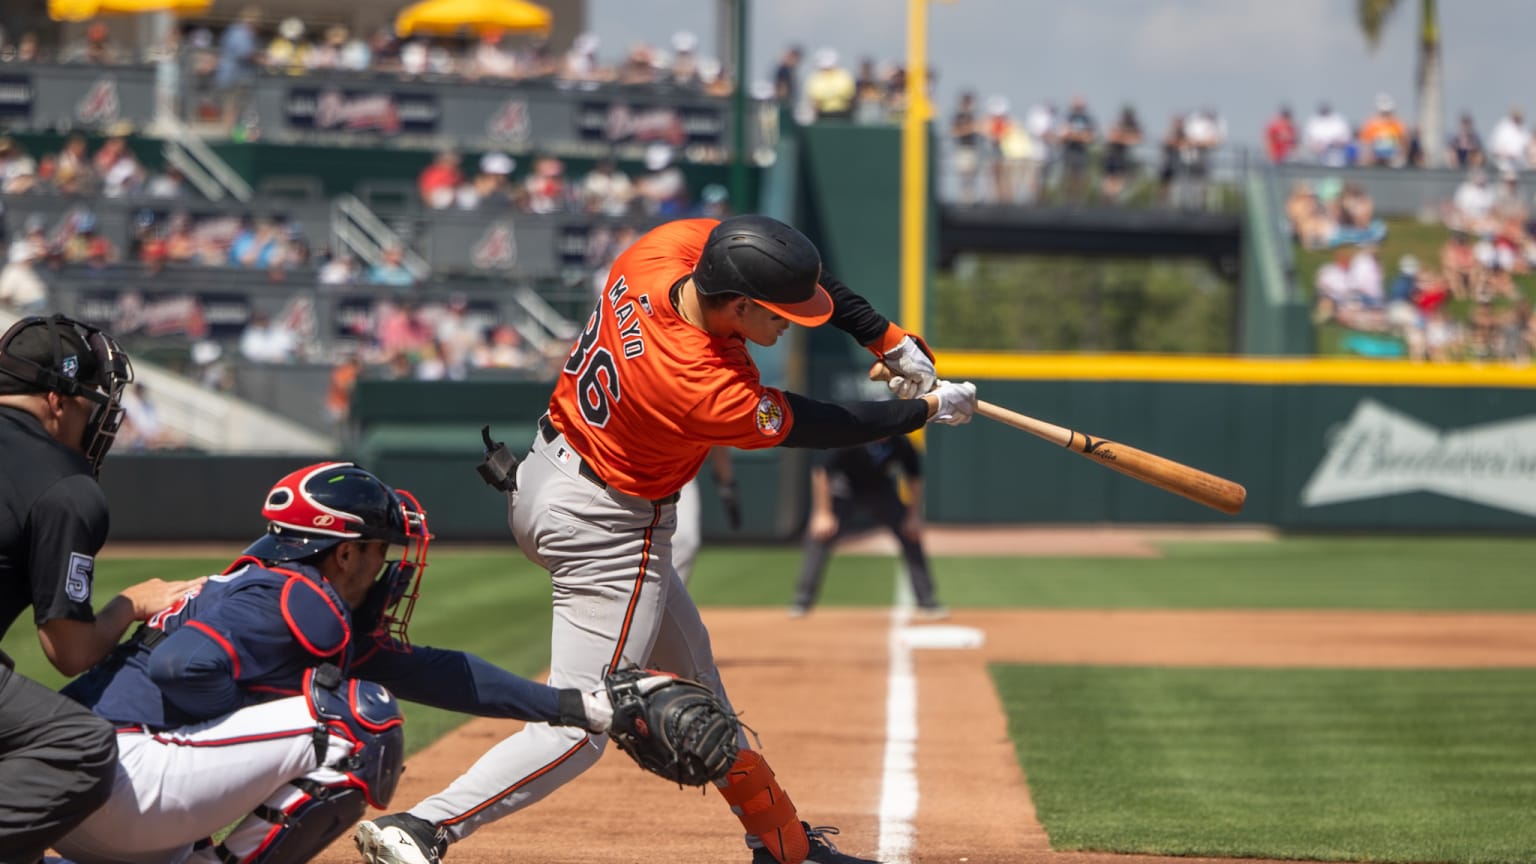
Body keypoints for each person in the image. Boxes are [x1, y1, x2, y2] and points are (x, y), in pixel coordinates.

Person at [352, 214, 976, 864]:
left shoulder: (660, 253)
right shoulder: (699, 383)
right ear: (736, 304)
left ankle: (784, 846)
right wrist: (924, 410)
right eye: (780, 313)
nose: (794, 320)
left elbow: (785, 268)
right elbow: (818, 424)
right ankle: (426, 827)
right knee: (585, 718)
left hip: (545, 474)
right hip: (607, 528)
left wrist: (888, 339)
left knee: (699, 679)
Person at [54, 461, 629, 864]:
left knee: (321, 708)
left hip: (77, 800)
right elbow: (178, 667)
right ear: (345, 551)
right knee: (358, 721)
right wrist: (235, 714)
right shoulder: (300, 597)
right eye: (379, 549)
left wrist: (576, 706)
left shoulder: (271, 584)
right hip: (125, 785)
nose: (385, 563)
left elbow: (437, 673)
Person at [0, 315, 202, 862]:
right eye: (92, 404)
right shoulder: (64, 482)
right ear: (57, 400)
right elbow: (70, 651)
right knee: (81, 744)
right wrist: (130, 604)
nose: (98, 419)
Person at [790, 433, 944, 619]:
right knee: (819, 537)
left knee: (911, 535)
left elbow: (915, 477)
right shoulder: (852, 436)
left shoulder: (900, 441)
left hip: (880, 491)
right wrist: (822, 513)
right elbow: (821, 470)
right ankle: (802, 600)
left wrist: (913, 516)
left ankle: (927, 600)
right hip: (845, 489)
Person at [673, 448, 739, 587]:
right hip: (631, 468)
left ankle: (662, 601)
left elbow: (717, 437)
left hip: (681, 471)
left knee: (686, 542)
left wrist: (727, 484)